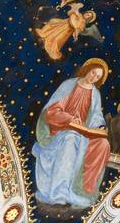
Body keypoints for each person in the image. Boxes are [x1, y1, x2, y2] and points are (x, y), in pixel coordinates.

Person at [32, 60, 111, 213]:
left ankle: (81, 189)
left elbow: (96, 116)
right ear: (87, 69)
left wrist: (100, 127)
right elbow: (53, 110)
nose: (94, 77)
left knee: (103, 145)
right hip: (62, 129)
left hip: (83, 132)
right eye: (93, 72)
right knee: (71, 138)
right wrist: (69, 119)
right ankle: (59, 191)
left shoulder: (95, 93)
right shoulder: (69, 85)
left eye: (98, 77)